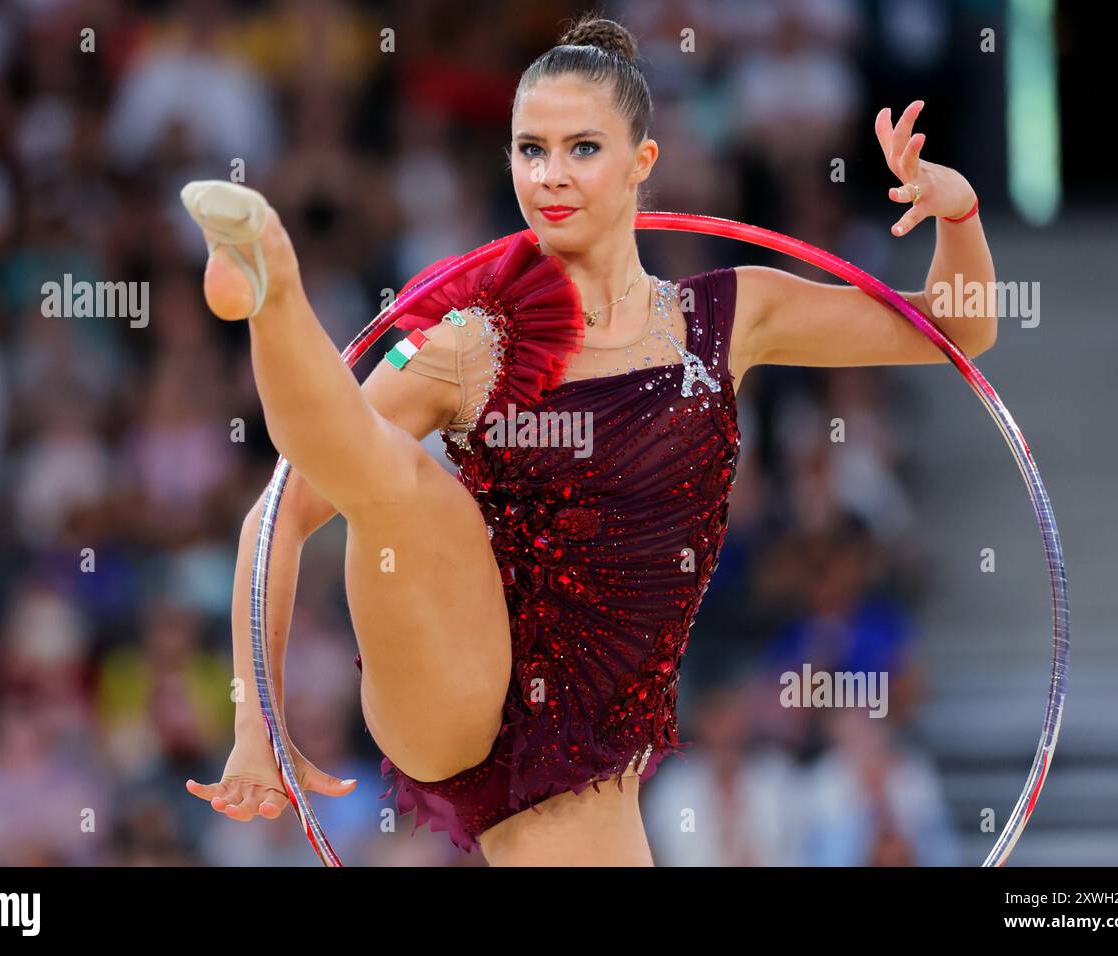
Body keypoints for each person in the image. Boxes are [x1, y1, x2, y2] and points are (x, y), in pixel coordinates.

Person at [183, 14, 995, 866]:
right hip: (452, 683)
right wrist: (252, 720)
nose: (551, 176)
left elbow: (956, 329)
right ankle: (272, 292)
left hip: (591, 748)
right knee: (400, 487)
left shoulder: (730, 315)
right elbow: (275, 512)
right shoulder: (472, 343)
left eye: (581, 148)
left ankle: (273, 298)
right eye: (530, 149)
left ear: (643, 163)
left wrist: (958, 212)